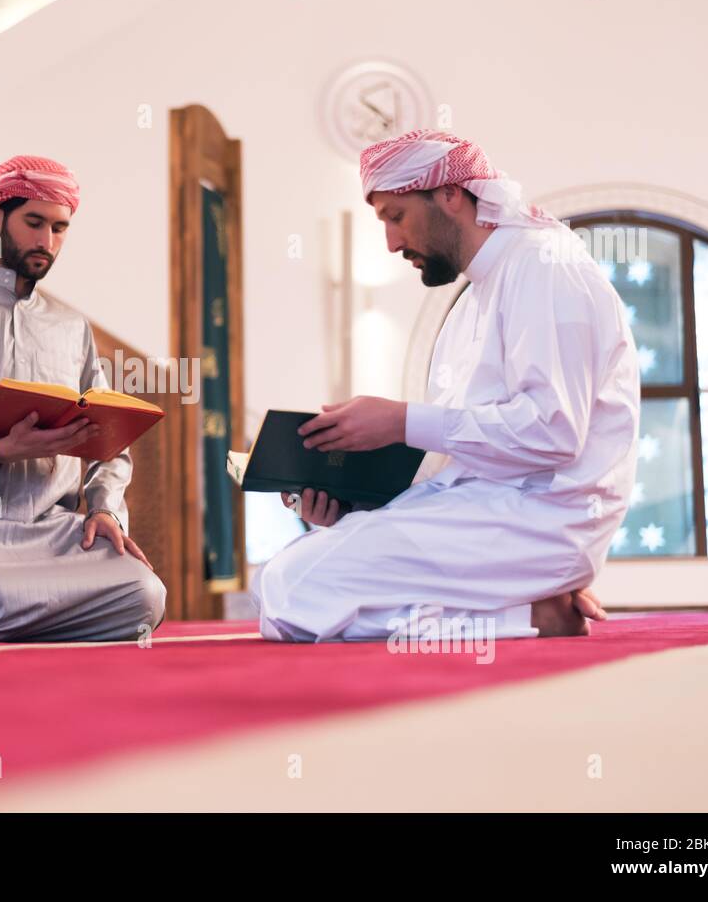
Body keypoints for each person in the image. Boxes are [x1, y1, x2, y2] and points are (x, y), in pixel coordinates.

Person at [252, 130, 639, 641]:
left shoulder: (544, 265)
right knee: (278, 585)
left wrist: (400, 421)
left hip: (543, 518)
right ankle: (521, 603)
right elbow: (467, 454)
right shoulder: (474, 301)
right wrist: (355, 502)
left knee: (291, 590)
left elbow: (554, 434)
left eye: (396, 216)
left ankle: (527, 616)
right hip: (488, 509)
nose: (391, 243)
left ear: (450, 195)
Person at [0, 155, 165, 644]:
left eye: (60, 228)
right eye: (34, 223)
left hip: (52, 532)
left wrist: (104, 510)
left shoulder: (72, 328)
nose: (47, 242)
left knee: (145, 596)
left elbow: (111, 444)